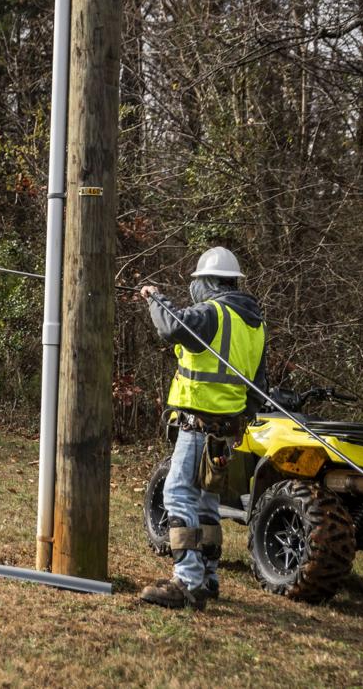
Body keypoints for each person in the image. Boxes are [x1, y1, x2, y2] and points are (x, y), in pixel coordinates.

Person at [138, 246, 267, 610]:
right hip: (225, 430)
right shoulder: (253, 323)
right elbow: (259, 386)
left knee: (178, 494)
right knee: (207, 501)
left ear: (208, 282)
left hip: (198, 426)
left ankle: (188, 581)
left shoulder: (213, 313)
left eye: (197, 282)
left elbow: (171, 326)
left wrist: (154, 298)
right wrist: (238, 423)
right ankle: (209, 578)